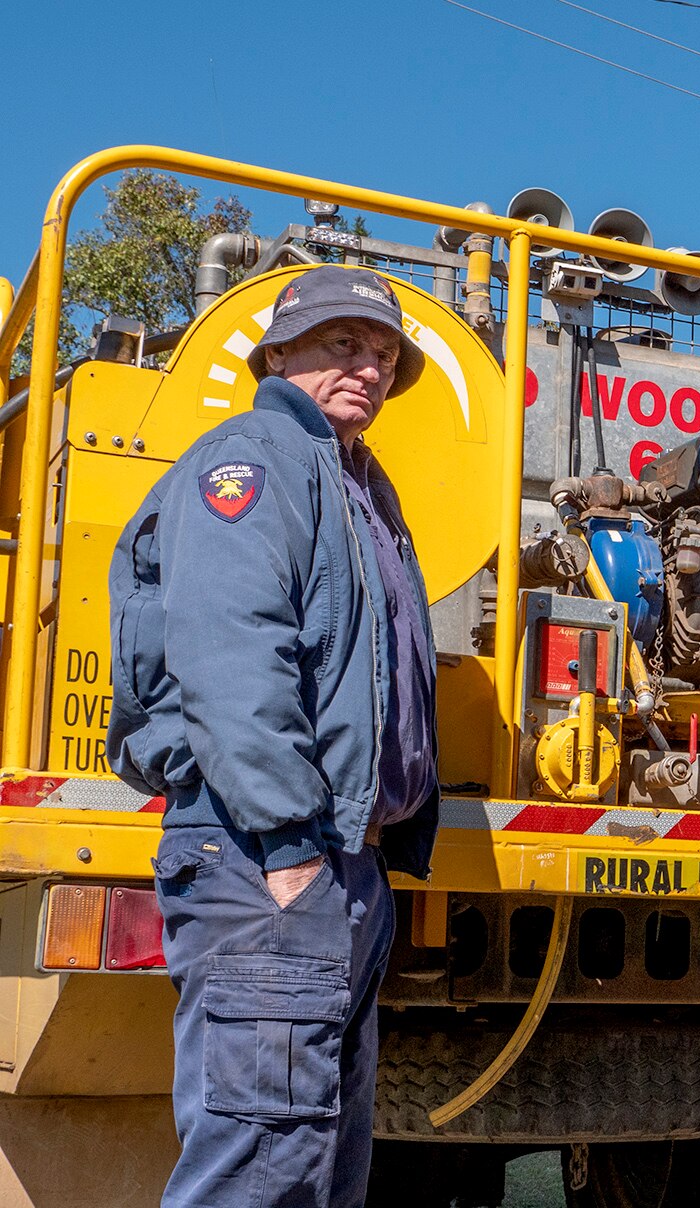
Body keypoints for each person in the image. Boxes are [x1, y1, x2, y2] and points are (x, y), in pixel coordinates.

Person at [106, 265, 440, 1208]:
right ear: (279, 354)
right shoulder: (253, 461)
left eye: (384, 356)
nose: (369, 369)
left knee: (321, 1167)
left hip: (338, 861)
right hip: (265, 857)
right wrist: (292, 849)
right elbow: (233, 653)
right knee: (261, 1167)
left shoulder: (356, 483)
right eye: (344, 344)